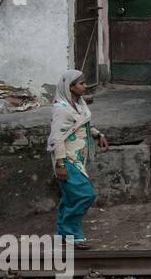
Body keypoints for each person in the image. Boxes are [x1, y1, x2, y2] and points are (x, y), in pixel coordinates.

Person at [47, 69, 109, 249]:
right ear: (70, 87)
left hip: (77, 158)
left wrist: (97, 135)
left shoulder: (79, 103)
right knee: (85, 194)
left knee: (70, 197)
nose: (85, 86)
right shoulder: (61, 110)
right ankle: (71, 234)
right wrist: (60, 165)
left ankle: (63, 235)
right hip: (67, 160)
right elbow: (57, 138)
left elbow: (82, 123)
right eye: (81, 83)